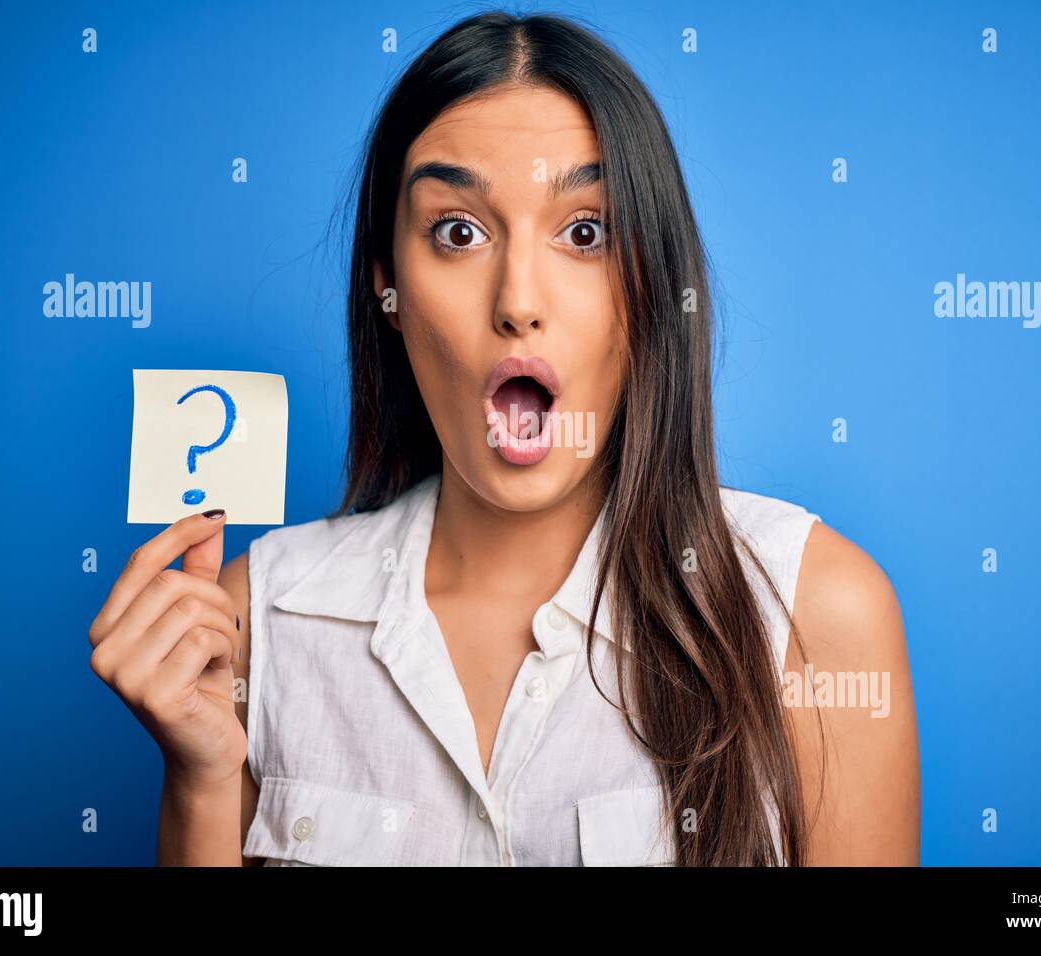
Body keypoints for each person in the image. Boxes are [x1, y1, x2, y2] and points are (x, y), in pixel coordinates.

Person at [88, 10, 919, 866]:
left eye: (585, 232)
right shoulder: (256, 622)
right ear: (389, 285)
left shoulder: (815, 618)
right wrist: (201, 781)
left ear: (653, 279)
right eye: (458, 232)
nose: (518, 300)